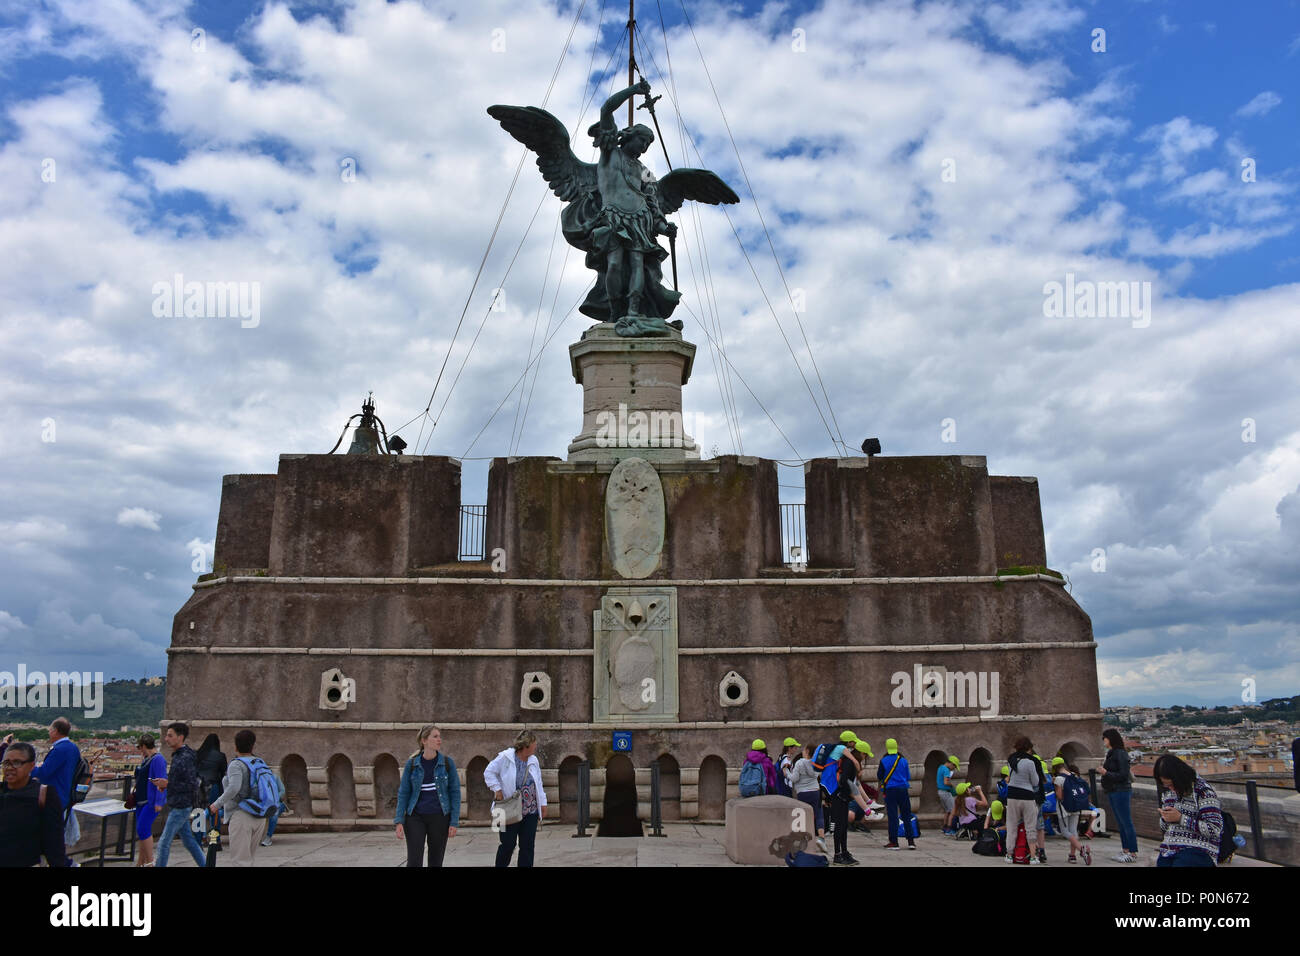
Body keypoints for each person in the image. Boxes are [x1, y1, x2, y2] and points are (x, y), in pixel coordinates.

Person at [395, 725, 461, 868]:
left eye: (439, 736)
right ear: (424, 740)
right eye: (435, 736)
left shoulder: (447, 763)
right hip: (415, 818)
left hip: (440, 818)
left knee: (436, 862)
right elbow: (404, 793)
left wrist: (454, 822)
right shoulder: (412, 764)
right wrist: (399, 820)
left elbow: (455, 793)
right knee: (414, 861)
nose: (439, 740)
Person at [209, 729, 272, 867]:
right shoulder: (259, 762)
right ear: (252, 745)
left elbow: (234, 788)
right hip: (259, 814)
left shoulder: (236, 764)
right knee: (249, 860)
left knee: (240, 862)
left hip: (241, 814)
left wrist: (216, 804)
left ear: (235, 746)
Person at [485, 730, 547, 868]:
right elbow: (488, 772)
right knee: (507, 845)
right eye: (534, 743)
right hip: (507, 809)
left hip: (530, 810)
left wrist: (543, 803)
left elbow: (538, 782)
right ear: (526, 745)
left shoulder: (534, 760)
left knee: (527, 846)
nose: (536, 746)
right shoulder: (505, 757)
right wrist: (497, 789)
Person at [0, 741, 68, 867]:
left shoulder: (44, 794)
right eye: (6, 763)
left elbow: (54, 842)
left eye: (17, 763)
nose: (9, 767)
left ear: (31, 766)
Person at [1153, 753, 1222, 867]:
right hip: (1170, 849)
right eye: (1166, 786)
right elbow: (1165, 828)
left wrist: (1181, 818)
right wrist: (1165, 818)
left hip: (1198, 848)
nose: (1171, 789)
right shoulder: (1169, 794)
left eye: (1172, 785)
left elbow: (1215, 830)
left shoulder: (1203, 792)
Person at [154, 722, 205, 868]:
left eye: (170, 736)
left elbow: (191, 784)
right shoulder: (182, 755)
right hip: (180, 803)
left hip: (181, 806)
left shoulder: (184, 757)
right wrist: (167, 784)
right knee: (189, 841)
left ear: (180, 737)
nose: (166, 739)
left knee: (164, 843)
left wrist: (168, 784)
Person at [32, 716, 81, 864]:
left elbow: (44, 773)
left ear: (55, 731)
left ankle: (67, 863)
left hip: (54, 797)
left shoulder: (60, 749)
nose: (49, 733)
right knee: (57, 837)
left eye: (50, 730)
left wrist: (28, 768)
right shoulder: (73, 748)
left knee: (51, 838)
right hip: (65, 795)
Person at [1004, 737, 1046, 864]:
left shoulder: (1011, 760)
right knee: (1030, 827)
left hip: (1012, 795)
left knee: (1011, 825)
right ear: (1029, 748)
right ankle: (1033, 856)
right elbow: (1035, 781)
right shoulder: (1030, 762)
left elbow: (1010, 777)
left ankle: (1009, 855)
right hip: (1027, 795)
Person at [1100, 728, 1137, 863]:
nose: (1104, 741)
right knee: (1121, 823)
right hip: (1113, 790)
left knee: (1126, 822)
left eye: (1105, 738)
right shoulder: (1112, 753)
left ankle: (1132, 853)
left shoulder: (1120, 753)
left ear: (1110, 739)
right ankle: (1125, 850)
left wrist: (1106, 773)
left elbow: (1123, 775)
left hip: (1121, 791)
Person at [131, 734, 166, 867]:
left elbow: (161, 780)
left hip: (149, 801)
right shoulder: (148, 759)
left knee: (143, 829)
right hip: (141, 800)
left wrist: (159, 801)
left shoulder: (157, 759)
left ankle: (150, 862)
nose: (140, 750)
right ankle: (141, 862)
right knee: (141, 831)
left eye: (140, 747)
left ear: (144, 746)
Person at [876, 738, 915, 850]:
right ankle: (911, 842)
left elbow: (879, 776)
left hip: (890, 790)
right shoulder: (903, 760)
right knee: (906, 815)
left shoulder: (884, 760)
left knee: (893, 816)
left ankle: (894, 842)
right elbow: (908, 776)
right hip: (903, 789)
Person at [789, 742, 828, 854]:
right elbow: (818, 776)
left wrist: (787, 773)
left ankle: (802, 840)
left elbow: (794, 778)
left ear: (807, 751)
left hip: (802, 793)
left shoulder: (799, 763)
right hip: (815, 791)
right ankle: (821, 839)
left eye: (804, 749)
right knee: (819, 815)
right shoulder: (817, 763)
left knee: (803, 815)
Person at [830, 742, 861, 866]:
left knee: (843, 826)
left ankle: (844, 852)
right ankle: (837, 855)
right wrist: (846, 794)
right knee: (840, 826)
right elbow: (844, 780)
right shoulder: (849, 762)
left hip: (841, 797)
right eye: (865, 755)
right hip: (840, 797)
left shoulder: (846, 760)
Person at [1054, 760, 1090, 865]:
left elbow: (1059, 796)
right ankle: (1072, 856)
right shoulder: (1074, 775)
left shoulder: (1059, 778)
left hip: (1064, 808)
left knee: (1065, 831)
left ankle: (1081, 849)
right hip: (1076, 806)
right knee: (1073, 831)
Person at [195, 733, 227, 808]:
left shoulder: (198, 753)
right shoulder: (220, 755)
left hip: (197, 785)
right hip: (212, 786)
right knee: (212, 809)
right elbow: (223, 771)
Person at [261, 771, 288, 847]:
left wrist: (273, 798)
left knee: (273, 814)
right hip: (264, 804)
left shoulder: (275, 777)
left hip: (276, 803)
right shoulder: (258, 779)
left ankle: (268, 837)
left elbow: (282, 791)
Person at [937, 755, 959, 833]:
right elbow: (946, 782)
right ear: (951, 764)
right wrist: (952, 785)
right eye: (954, 766)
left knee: (947, 810)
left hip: (940, 791)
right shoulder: (946, 770)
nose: (954, 769)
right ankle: (950, 829)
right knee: (953, 810)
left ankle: (944, 826)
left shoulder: (940, 767)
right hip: (945, 792)